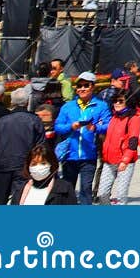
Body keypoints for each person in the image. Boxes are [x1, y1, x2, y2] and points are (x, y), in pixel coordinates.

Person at [54, 73, 109, 205]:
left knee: (85, 190)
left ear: (92, 87)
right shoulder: (68, 107)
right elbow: (58, 127)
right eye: (79, 86)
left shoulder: (101, 106)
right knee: (67, 191)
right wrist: (71, 126)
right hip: (69, 156)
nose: (82, 89)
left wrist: (95, 128)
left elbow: (108, 125)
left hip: (89, 156)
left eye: (86, 85)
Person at [97, 91, 140, 204]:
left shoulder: (133, 118)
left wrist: (125, 160)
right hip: (109, 160)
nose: (117, 103)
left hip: (125, 161)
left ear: (128, 102)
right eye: (115, 101)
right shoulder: (114, 117)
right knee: (102, 193)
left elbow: (133, 141)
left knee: (121, 195)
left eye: (120, 101)